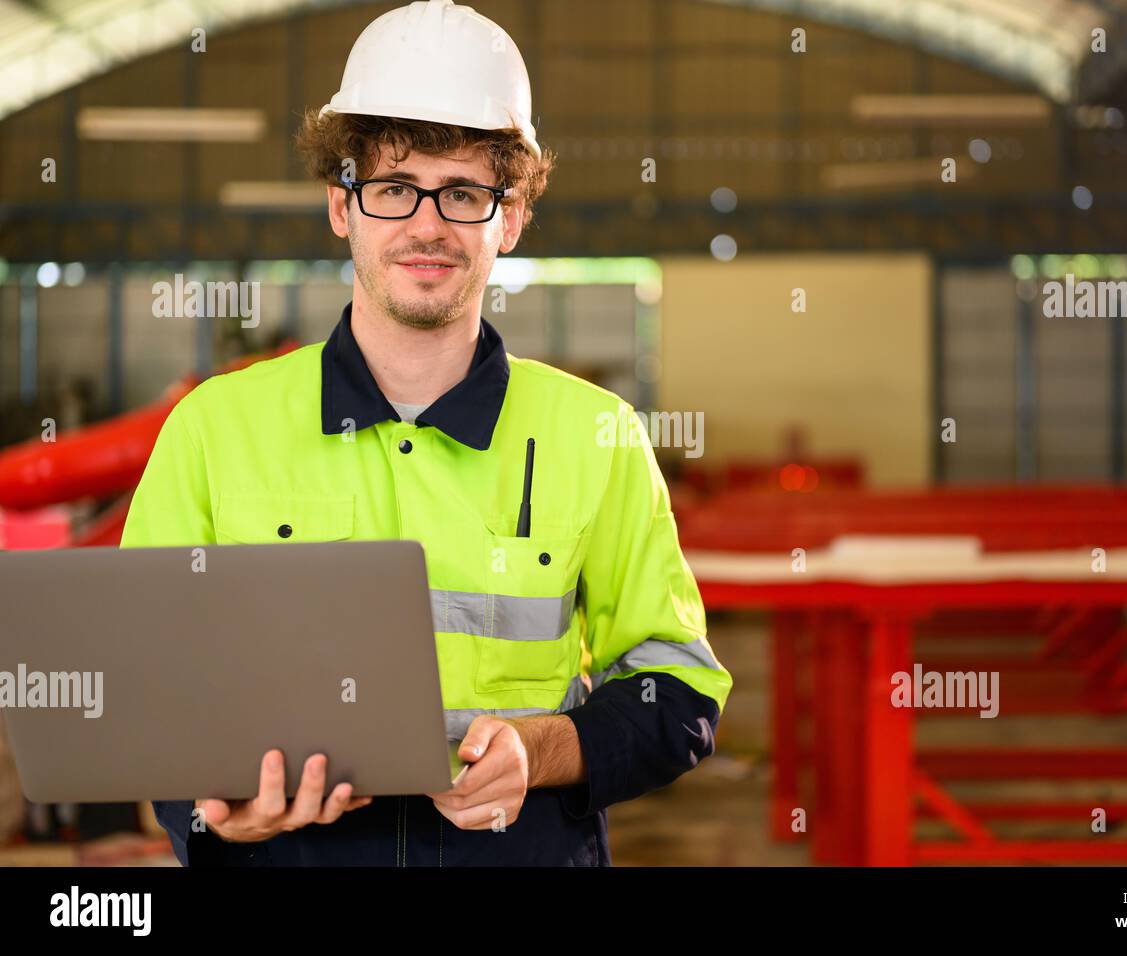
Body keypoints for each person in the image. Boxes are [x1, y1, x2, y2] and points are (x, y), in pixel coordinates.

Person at [118, 0, 731, 866]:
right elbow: (144, 681)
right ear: (343, 205)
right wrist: (211, 810)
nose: (428, 225)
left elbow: (681, 693)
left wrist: (541, 749)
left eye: (466, 192)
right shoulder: (215, 430)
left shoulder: (596, 434)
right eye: (395, 187)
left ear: (510, 217)